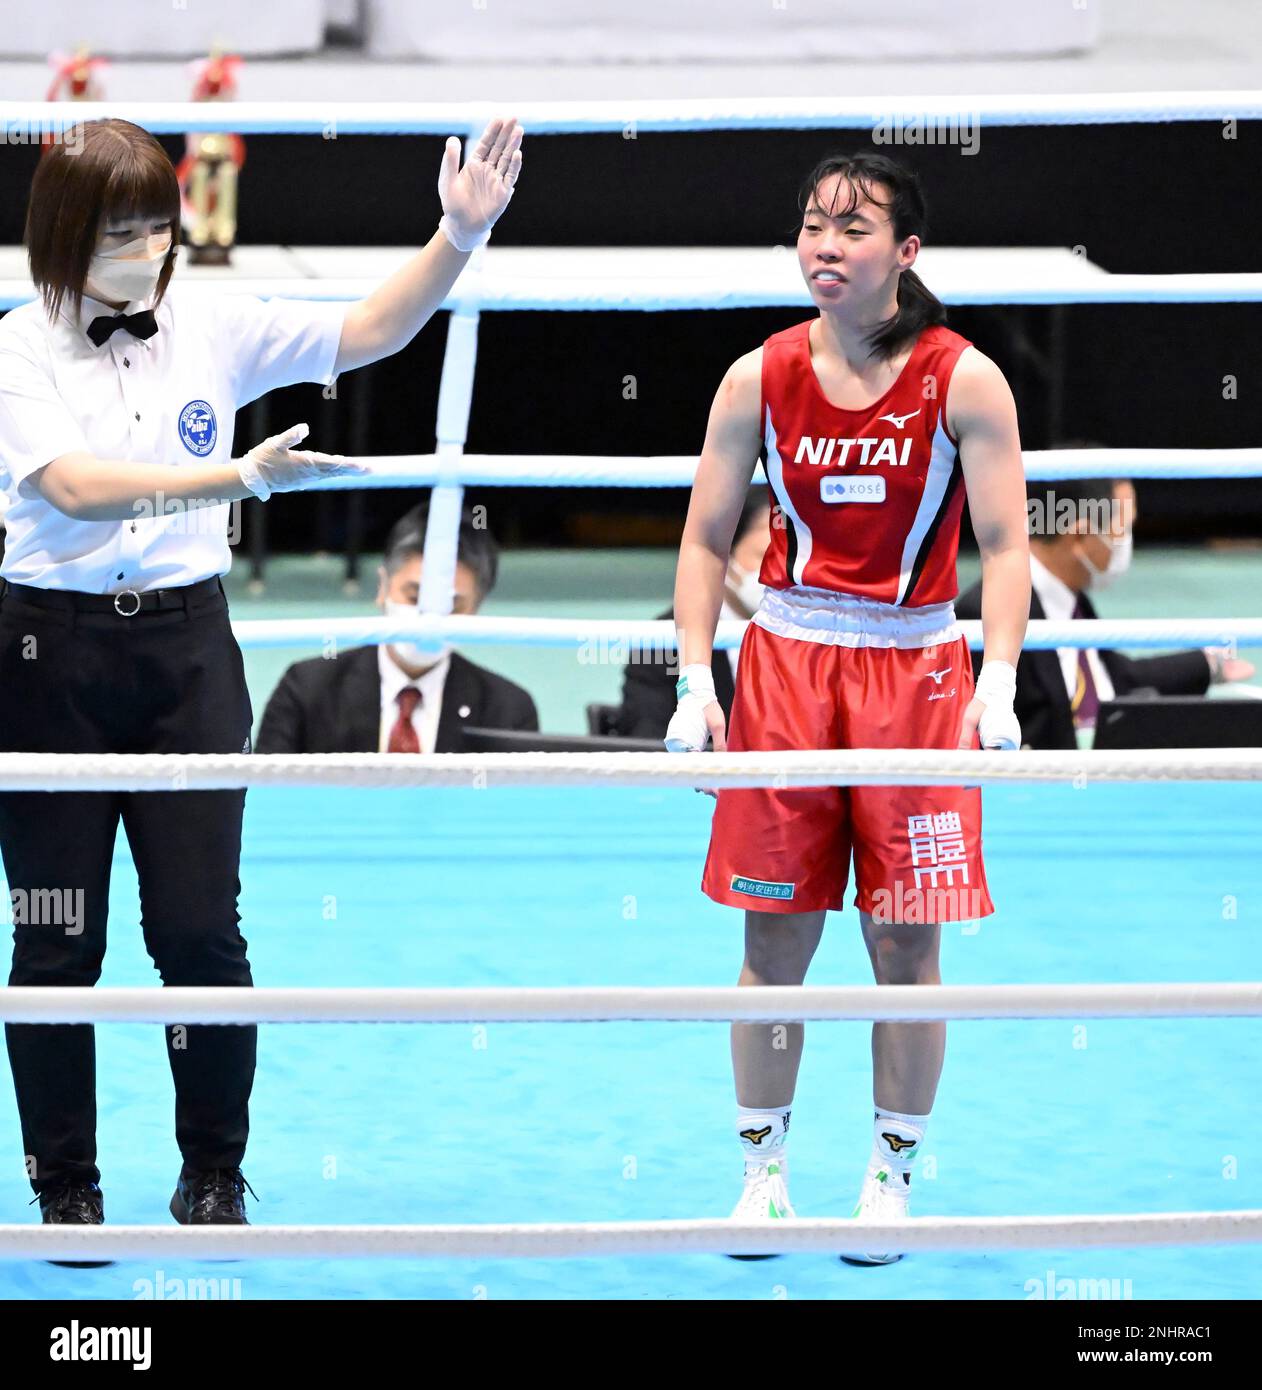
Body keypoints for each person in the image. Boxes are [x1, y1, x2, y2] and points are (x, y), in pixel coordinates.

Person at [0, 114, 522, 1246]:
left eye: (158, 226)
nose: (147, 249)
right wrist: (227, 475)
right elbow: (77, 489)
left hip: (187, 653)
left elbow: (372, 329)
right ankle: (63, 1183)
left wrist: (458, 235)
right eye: (121, 230)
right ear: (63, 237)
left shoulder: (213, 321)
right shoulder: (17, 347)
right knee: (54, 938)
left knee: (199, 931)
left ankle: (215, 1174)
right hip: (47, 656)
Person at [665, 152, 1029, 1264]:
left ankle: (889, 1176)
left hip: (915, 675)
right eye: (811, 225)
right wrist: (694, 677)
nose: (824, 245)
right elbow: (701, 537)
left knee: (903, 943)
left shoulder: (962, 379)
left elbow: (1006, 543)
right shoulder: (755, 377)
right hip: (784, 664)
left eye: (852, 228)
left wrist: (1000, 678)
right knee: (771, 937)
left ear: (904, 253)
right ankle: (761, 1176)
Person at [957, 472, 1255, 747]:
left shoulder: (1069, 596)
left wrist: (1205, 665)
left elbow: (1112, 677)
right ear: (1080, 537)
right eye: (1122, 530)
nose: (1126, 543)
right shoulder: (986, 613)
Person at [257, 501, 537, 753]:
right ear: (383, 586)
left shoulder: (509, 711)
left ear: (476, 608)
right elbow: (267, 801)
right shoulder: (307, 691)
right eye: (414, 597)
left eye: (452, 606)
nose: (429, 621)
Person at [614, 488, 771, 740]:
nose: (775, 573)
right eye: (765, 557)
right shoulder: (663, 642)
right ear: (725, 554)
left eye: (786, 561)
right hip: (701, 778)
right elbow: (646, 743)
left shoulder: (818, 634)